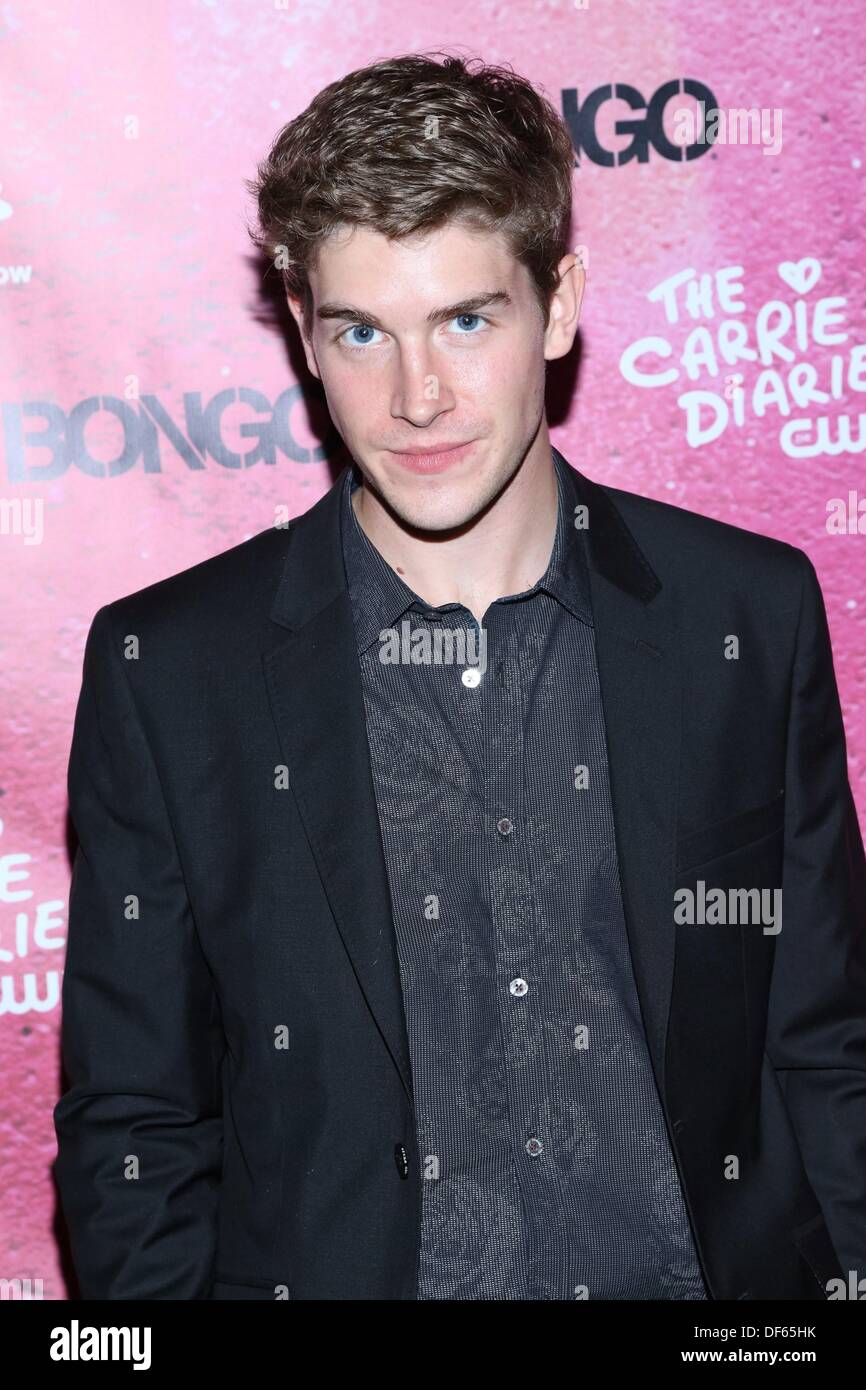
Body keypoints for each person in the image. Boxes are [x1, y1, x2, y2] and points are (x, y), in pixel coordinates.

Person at [54, 50, 866, 1301]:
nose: (416, 395)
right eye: (362, 330)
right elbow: (136, 1124)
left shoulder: (742, 614)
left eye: (466, 320)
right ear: (303, 333)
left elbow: (822, 1043)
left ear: (560, 303)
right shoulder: (172, 672)